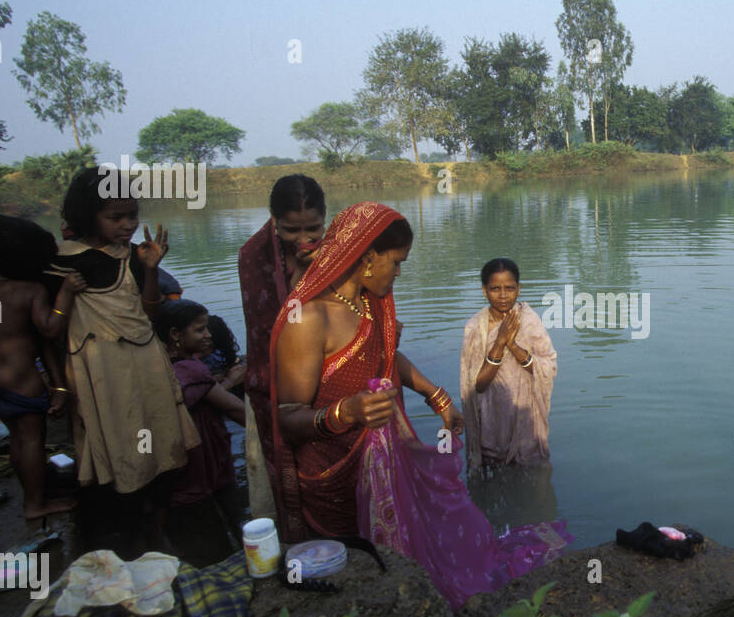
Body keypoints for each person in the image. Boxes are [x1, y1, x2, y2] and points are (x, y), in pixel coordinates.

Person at [271, 202, 461, 541]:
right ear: (369, 256)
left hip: (378, 464)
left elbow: (385, 357)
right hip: (334, 473)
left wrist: (437, 397)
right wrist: (347, 412)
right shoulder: (310, 319)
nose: (399, 273)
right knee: (352, 564)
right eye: (397, 262)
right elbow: (287, 417)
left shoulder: (369, 304)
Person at [43, 167, 200, 551]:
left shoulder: (133, 255)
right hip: (101, 369)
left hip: (145, 362)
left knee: (160, 441)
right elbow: (48, 332)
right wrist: (60, 386)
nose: (127, 225)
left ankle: (158, 527)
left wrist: (150, 269)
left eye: (132, 216)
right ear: (86, 215)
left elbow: (150, 310)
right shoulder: (64, 261)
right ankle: (127, 529)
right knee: (116, 445)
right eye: (115, 217)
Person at [0, 215, 85, 520]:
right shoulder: (29, 292)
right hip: (21, 385)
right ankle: (35, 503)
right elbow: (50, 330)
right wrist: (65, 293)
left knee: (17, 439)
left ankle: (33, 491)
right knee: (31, 443)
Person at [238, 174, 326, 522]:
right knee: (287, 487)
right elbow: (276, 329)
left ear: (325, 218)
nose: (303, 240)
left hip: (326, 379)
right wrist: (300, 279)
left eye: (313, 229)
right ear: (274, 221)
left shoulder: (336, 247)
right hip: (274, 384)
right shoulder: (253, 256)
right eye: (291, 231)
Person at [153, 299, 247, 559]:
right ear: (175, 335)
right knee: (233, 528)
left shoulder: (157, 365)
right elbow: (237, 411)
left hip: (179, 471)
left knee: (202, 540)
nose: (208, 335)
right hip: (205, 466)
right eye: (200, 330)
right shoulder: (191, 370)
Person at [459, 257, 557, 471]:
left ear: (519, 288)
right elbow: (478, 384)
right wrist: (500, 342)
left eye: (509, 288)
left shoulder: (530, 321)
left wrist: (512, 345)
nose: (503, 296)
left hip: (526, 421)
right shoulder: (475, 328)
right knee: (492, 480)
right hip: (490, 425)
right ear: (484, 290)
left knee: (534, 485)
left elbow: (547, 367)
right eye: (495, 289)